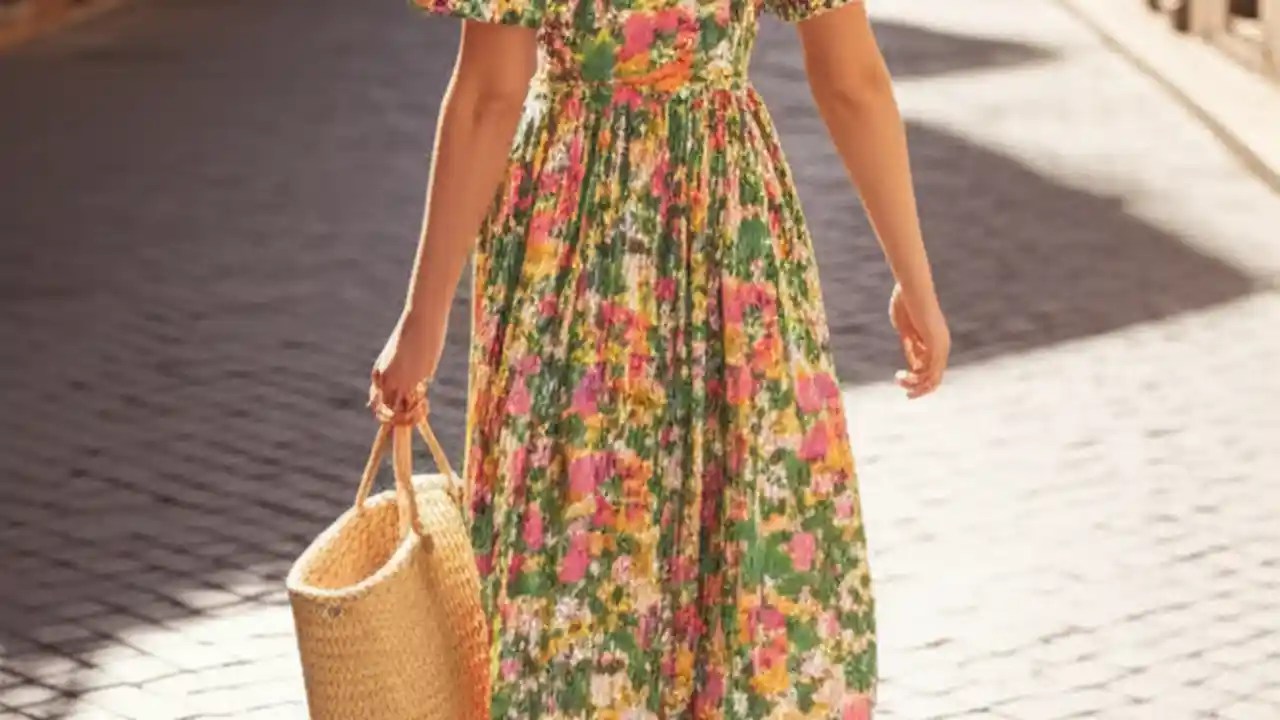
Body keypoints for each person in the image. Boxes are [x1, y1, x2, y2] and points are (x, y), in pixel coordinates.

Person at [368, 0, 949, 714]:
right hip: (728, 239)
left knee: (573, 547)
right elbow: (850, 77)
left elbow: (490, 94)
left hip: (573, 248)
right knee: (745, 536)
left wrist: (424, 318)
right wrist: (915, 279)